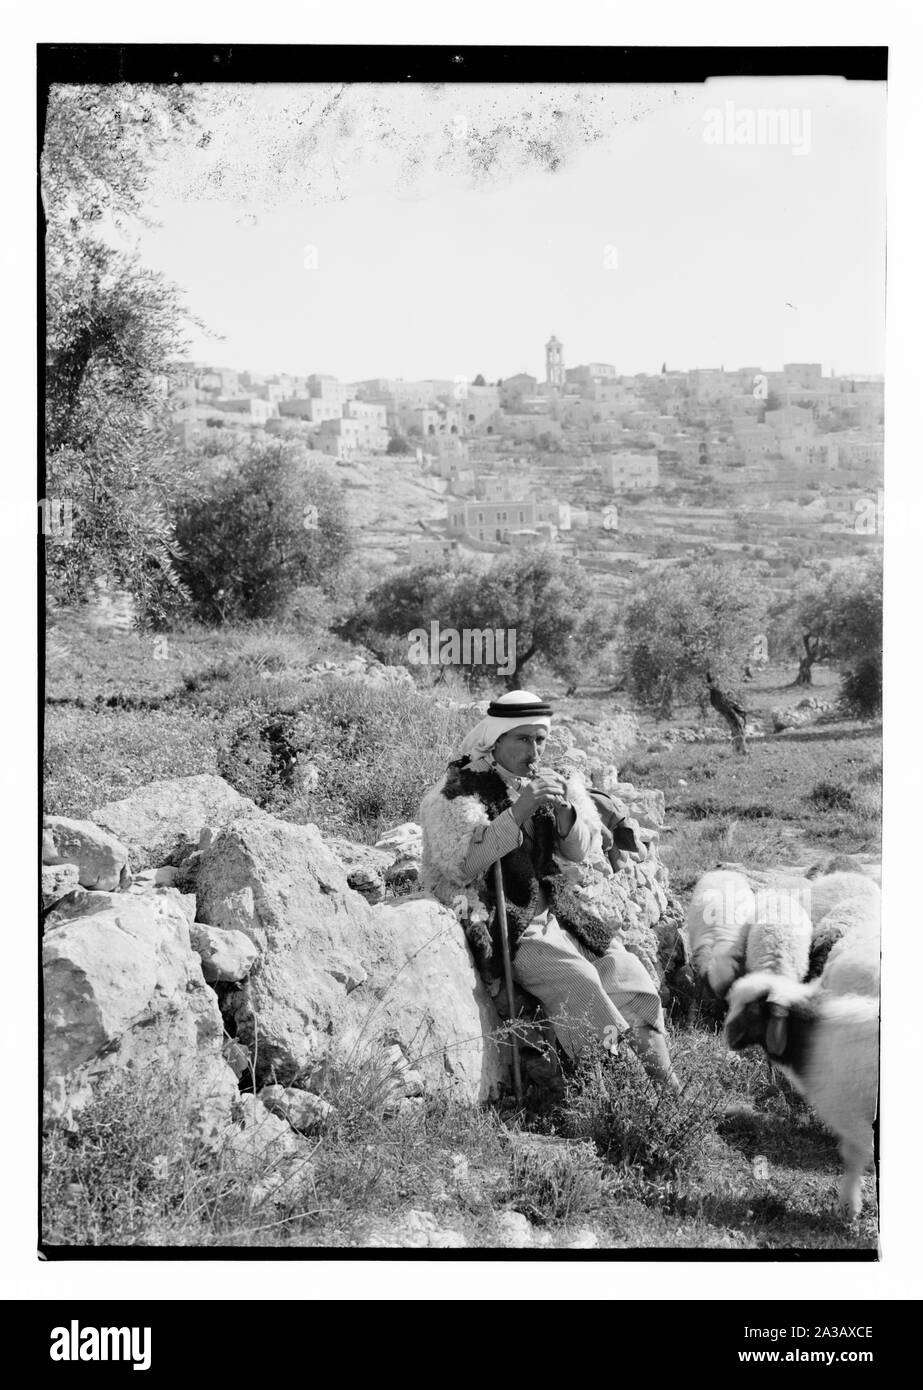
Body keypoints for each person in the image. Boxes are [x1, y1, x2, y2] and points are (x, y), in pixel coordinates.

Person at [419, 688, 679, 1090]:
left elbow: (579, 852)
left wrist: (565, 815)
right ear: (496, 740)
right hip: (504, 917)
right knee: (580, 984)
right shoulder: (459, 790)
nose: (534, 751)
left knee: (627, 975)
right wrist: (518, 810)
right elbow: (464, 865)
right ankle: (620, 1094)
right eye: (523, 739)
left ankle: (668, 1087)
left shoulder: (550, 781)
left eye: (540, 740)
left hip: (557, 909)